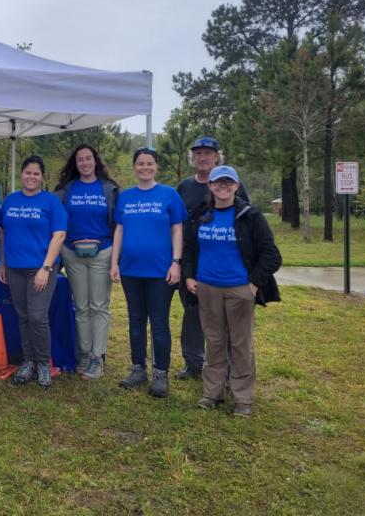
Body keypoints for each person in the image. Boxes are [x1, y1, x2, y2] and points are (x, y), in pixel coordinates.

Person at [183, 165, 281, 418]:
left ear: (237, 186)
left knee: (240, 344)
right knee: (214, 341)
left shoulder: (250, 216)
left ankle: (242, 397)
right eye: (218, 182)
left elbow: (272, 256)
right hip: (207, 287)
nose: (223, 186)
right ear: (210, 186)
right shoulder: (201, 213)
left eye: (229, 182)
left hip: (239, 289)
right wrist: (190, 276)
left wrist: (253, 284)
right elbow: (190, 248)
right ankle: (212, 392)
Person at [111, 147, 187, 398]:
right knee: (135, 321)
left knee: (159, 323)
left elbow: (177, 230)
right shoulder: (125, 197)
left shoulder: (169, 195)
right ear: (134, 167)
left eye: (150, 163)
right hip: (131, 269)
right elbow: (119, 231)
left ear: (156, 167)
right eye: (141, 164)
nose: (145, 167)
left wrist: (176, 261)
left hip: (160, 271)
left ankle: (160, 374)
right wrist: (114, 263)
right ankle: (137, 369)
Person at [175, 136, 250, 380]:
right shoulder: (184, 187)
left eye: (208, 153)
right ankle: (193, 362)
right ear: (192, 157)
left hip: (224, 262)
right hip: (192, 258)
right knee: (192, 312)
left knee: (225, 319)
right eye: (198, 153)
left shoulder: (231, 184)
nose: (203, 157)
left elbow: (245, 222)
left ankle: (225, 366)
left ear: (217, 156)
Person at [0, 156, 68, 389]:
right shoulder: (10, 200)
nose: (31, 177)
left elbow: (59, 235)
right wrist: (3, 264)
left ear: (42, 177)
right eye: (28, 173)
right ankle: (28, 361)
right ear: (21, 175)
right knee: (24, 315)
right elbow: (2, 233)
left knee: (38, 316)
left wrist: (46, 268)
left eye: (36, 174)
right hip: (15, 267)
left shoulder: (50, 202)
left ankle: (43, 363)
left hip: (41, 268)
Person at [54, 144, 119, 380]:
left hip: (102, 252)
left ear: (95, 161)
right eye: (80, 159)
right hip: (72, 253)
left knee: (99, 306)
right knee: (81, 306)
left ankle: (97, 356)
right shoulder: (65, 190)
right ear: (76, 163)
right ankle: (84, 353)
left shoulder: (109, 189)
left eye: (88, 158)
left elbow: (118, 224)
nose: (84, 163)